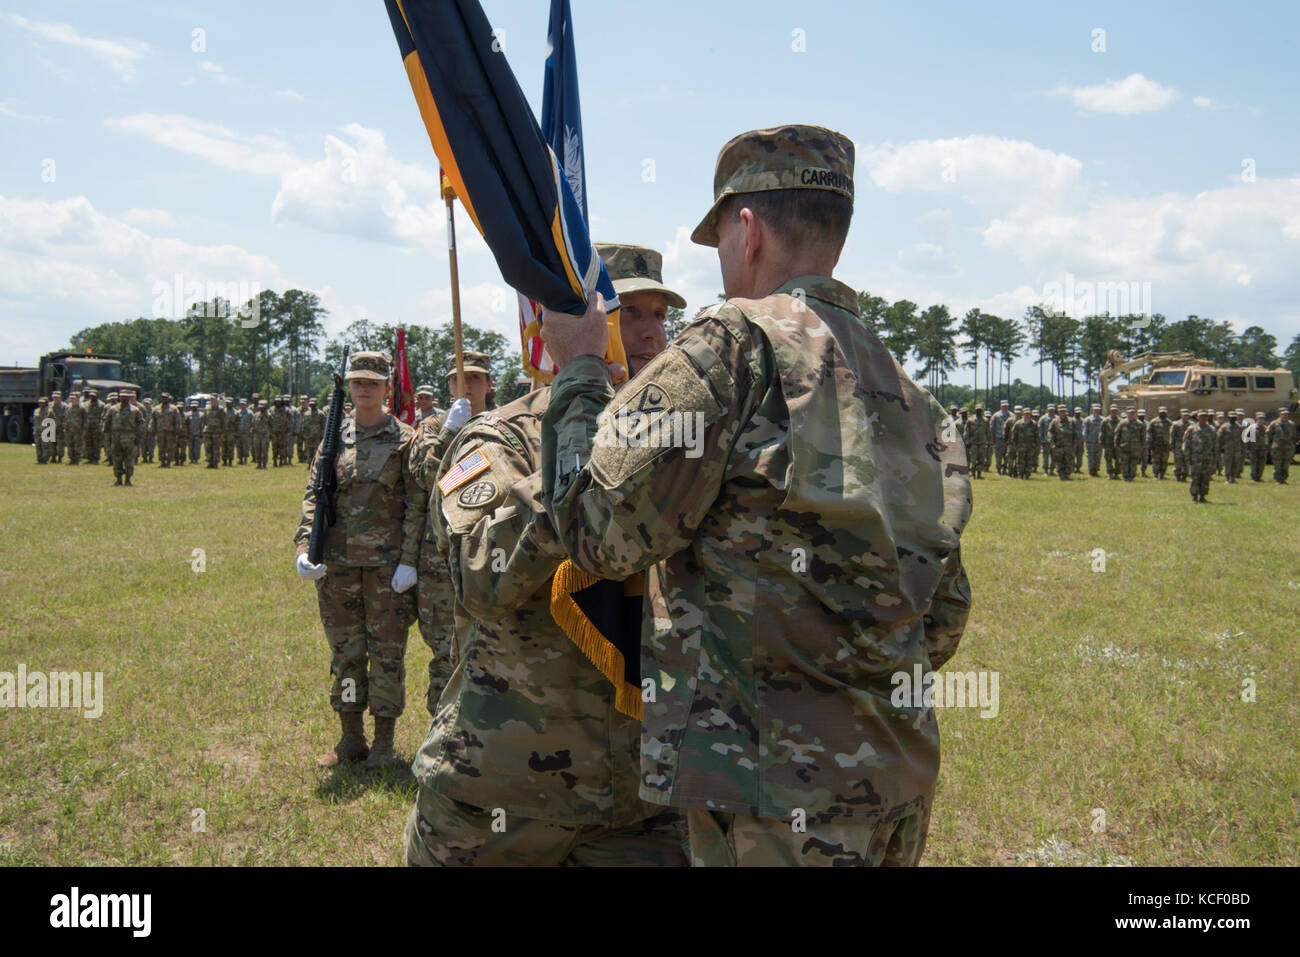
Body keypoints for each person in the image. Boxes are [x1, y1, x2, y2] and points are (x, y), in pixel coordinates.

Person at [538, 125, 972, 866]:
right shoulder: (905, 386)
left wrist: (579, 369)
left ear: (748, 230)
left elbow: (597, 528)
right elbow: (945, 608)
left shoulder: (732, 345)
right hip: (893, 779)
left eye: (720, 244)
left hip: (771, 797)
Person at [405, 242, 690, 867]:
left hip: (643, 800)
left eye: (658, 315)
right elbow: (481, 576)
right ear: (576, 327)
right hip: (503, 791)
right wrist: (580, 451)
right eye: (627, 312)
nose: (648, 332)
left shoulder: (678, 445)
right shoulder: (500, 435)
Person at [294, 352, 424, 770]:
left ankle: (384, 742)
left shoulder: (405, 439)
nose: (363, 389)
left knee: (387, 651)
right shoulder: (333, 439)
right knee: (346, 652)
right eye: (356, 383)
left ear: (387, 388)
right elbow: (316, 496)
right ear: (348, 388)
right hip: (338, 565)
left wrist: (409, 561)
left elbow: (415, 503)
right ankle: (351, 737)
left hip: (387, 566)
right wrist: (303, 549)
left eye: (372, 383)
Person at [405, 351, 493, 718]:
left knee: (494, 645)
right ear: (449, 385)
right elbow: (427, 476)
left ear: (489, 383)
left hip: (493, 550)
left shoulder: (505, 422)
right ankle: (440, 732)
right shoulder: (431, 427)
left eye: (475, 378)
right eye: (459, 378)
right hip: (440, 555)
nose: (468, 385)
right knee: (445, 648)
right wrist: (450, 432)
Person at [110, 389, 143, 486]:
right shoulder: (113, 409)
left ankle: (128, 479)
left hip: (130, 439)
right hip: (116, 438)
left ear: (129, 398)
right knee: (117, 460)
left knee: (129, 460)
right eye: (122, 396)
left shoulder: (135, 411)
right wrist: (107, 437)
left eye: (126, 396)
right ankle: (118, 479)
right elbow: (107, 423)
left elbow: (141, 424)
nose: (124, 398)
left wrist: (138, 437)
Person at [1183, 409, 1217, 503]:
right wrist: (1187, 457)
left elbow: (1215, 445)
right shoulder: (1191, 429)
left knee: (1205, 478)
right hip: (1195, 459)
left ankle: (1203, 496)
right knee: (1195, 478)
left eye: (1205, 416)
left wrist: (1215, 458)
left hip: (1207, 458)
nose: (1203, 418)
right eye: (1201, 416)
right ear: (1197, 417)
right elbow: (1186, 444)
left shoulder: (1212, 430)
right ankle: (1194, 496)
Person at [1265, 408, 1294, 484]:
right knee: (1277, 464)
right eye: (1283, 414)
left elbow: (1294, 435)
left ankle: (1283, 479)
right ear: (1280, 414)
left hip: (1288, 447)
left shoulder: (1291, 424)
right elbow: (1268, 433)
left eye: (1286, 414)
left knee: (1286, 464)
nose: (1285, 415)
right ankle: (1278, 479)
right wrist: (1269, 443)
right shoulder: (1274, 423)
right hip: (1277, 447)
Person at [1114, 408, 1143, 481]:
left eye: (1133, 413)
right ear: (1127, 414)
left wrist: (1142, 446)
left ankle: (1132, 476)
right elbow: (1117, 434)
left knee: (1134, 462)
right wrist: (1117, 444)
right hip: (1124, 447)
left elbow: (1143, 436)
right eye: (1130, 413)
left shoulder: (1139, 424)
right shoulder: (1122, 423)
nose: (1131, 414)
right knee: (1124, 462)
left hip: (1135, 447)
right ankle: (1125, 476)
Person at [1148, 407, 1172, 479]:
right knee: (1156, 460)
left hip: (1166, 445)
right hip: (1156, 445)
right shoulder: (1153, 422)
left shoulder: (1169, 422)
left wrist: (1171, 444)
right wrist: (1150, 443)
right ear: (1158, 412)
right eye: (1161, 412)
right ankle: (1156, 475)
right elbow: (1149, 433)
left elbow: (1172, 434)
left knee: (1164, 460)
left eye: (1164, 412)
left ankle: (1162, 474)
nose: (1163, 413)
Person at [1170, 409, 1192, 482]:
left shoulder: (1191, 425)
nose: (1185, 417)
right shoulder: (1176, 424)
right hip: (1178, 446)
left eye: (1187, 415)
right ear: (1181, 415)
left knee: (1186, 463)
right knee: (1178, 463)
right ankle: (1178, 477)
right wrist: (1172, 446)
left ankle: (1184, 477)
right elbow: (1172, 435)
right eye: (1184, 415)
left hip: (1188, 447)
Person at [991, 399, 1012, 474]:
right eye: (1004, 406)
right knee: (998, 455)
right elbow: (992, 428)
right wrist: (993, 438)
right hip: (998, 438)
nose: (1005, 407)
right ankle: (998, 470)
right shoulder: (996, 416)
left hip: (1008, 439)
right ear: (1001, 406)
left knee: (1007, 455)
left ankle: (1005, 469)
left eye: (1006, 406)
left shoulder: (1011, 416)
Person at [63, 393, 85, 465]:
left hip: (78, 430)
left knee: (77, 444)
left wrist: (84, 429)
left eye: (73, 398)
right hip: (69, 429)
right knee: (70, 444)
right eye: (71, 398)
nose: (72, 399)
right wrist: (65, 427)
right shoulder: (68, 407)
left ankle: (77, 459)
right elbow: (65, 417)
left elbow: (85, 419)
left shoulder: (81, 408)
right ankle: (71, 459)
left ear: (77, 399)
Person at [1083, 404, 1103, 477]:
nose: (1096, 411)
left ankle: (1096, 471)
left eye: (1097, 410)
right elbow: (1085, 432)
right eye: (1095, 410)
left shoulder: (1102, 419)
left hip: (1099, 442)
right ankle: (1091, 471)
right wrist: (1086, 441)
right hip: (1090, 442)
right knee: (1090, 457)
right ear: (1092, 410)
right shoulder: (1088, 419)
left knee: (1098, 457)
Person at [252, 399, 271, 468]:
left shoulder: (269, 415)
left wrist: (270, 435)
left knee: (264, 450)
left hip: (265, 436)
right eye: (260, 406)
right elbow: (253, 425)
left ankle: (264, 464)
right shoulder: (256, 415)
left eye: (262, 406)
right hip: (257, 435)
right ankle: (258, 463)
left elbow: (271, 425)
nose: (261, 408)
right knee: (257, 450)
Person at [236, 398, 253, 465]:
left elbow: (253, 423)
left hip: (247, 433)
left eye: (243, 404)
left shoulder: (250, 413)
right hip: (239, 433)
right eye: (241, 404)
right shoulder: (237, 413)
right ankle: (240, 460)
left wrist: (251, 431)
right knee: (239, 447)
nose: (242, 405)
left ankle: (245, 460)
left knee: (246, 447)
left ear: (246, 405)